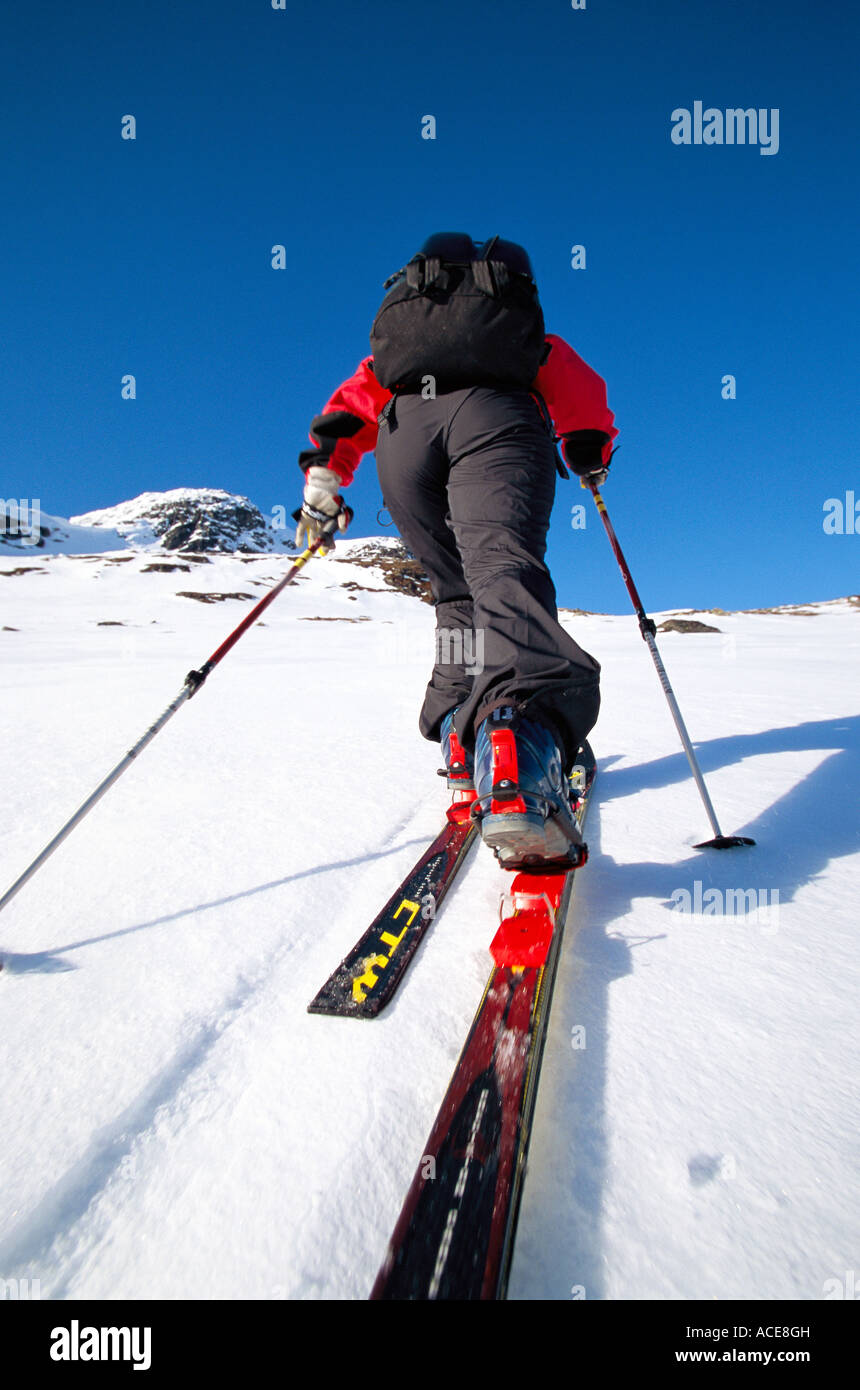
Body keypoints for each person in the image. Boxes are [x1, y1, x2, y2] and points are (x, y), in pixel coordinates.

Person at [295, 232, 617, 868]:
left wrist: (324, 483)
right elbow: (580, 395)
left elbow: (353, 404)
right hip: (496, 421)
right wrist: (589, 451)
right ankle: (519, 760)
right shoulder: (523, 338)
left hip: (402, 441)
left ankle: (461, 744)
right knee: (503, 574)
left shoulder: (404, 348)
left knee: (456, 596)